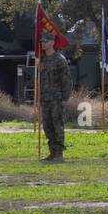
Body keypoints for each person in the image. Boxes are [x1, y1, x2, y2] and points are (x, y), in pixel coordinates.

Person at [37, 32, 72, 163]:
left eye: (45, 41)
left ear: (52, 42)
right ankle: (52, 152)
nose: (43, 44)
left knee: (57, 124)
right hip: (45, 98)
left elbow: (67, 80)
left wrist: (65, 98)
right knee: (47, 125)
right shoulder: (42, 60)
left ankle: (59, 153)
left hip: (57, 98)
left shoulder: (59, 59)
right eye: (42, 42)